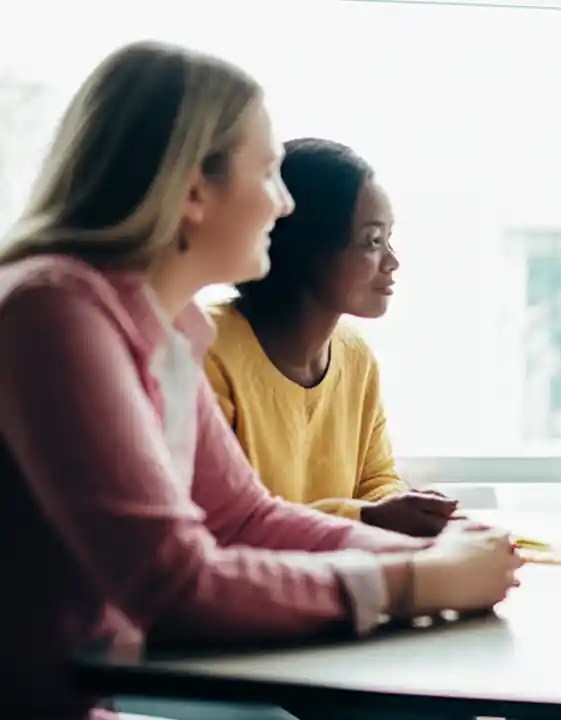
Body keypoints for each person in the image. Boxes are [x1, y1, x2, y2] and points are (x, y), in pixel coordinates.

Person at [0, 41, 521, 720]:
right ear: (194, 191)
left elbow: (245, 518)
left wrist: (440, 554)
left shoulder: (168, 327)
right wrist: (414, 580)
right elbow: (173, 584)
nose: (283, 205)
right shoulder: (52, 309)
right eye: (270, 173)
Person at [205, 137, 454, 537]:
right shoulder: (207, 352)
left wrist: (406, 510)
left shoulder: (355, 355)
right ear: (306, 247)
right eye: (372, 241)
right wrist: (367, 518)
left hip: (334, 567)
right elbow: (228, 523)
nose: (392, 261)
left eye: (388, 239)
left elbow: (376, 480)